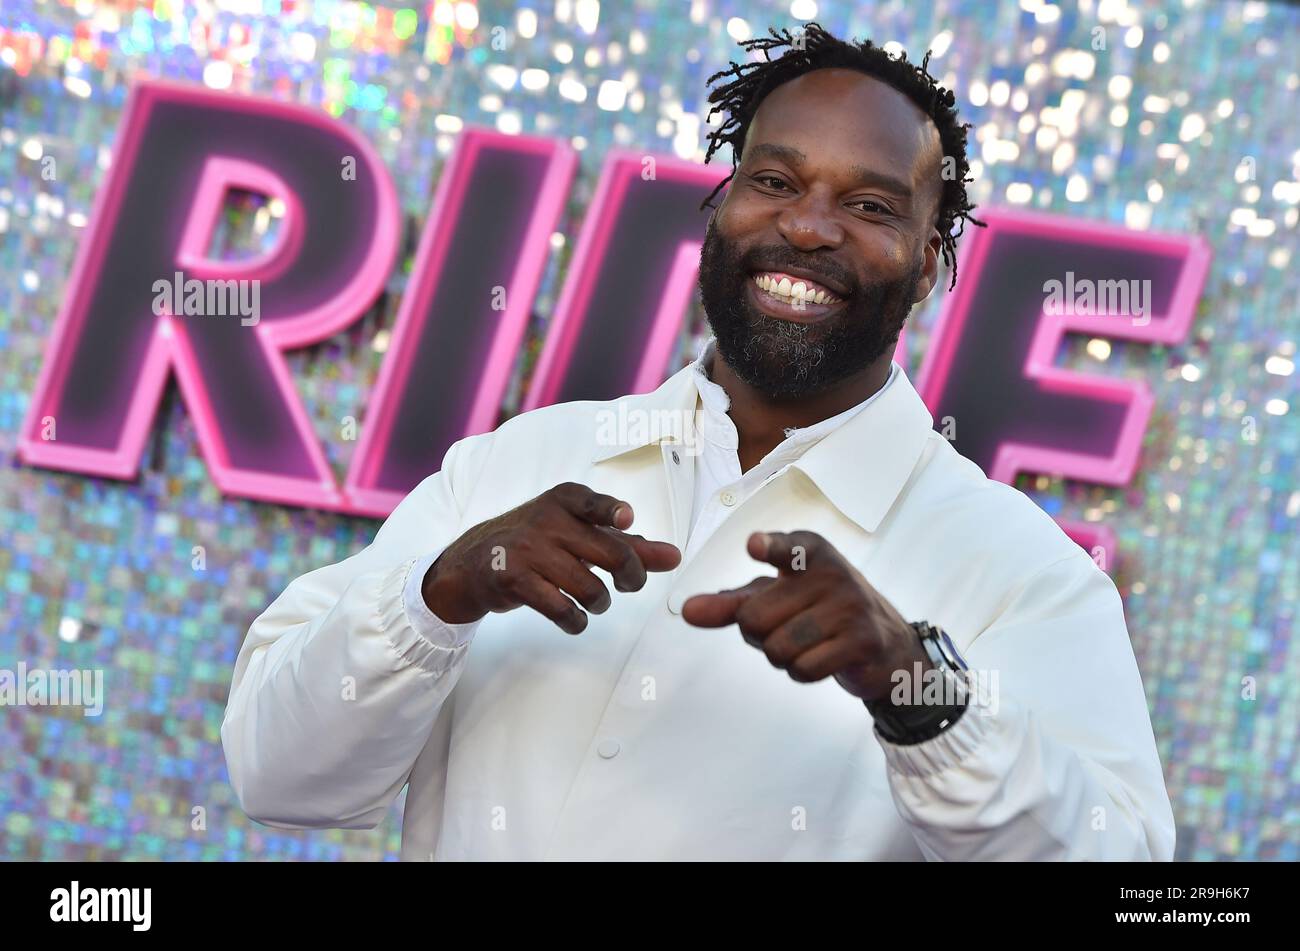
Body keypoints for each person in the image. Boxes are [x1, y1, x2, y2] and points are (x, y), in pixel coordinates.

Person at [222, 23, 1175, 861]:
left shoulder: (1022, 571)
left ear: (928, 263)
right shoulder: (517, 462)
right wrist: (439, 593)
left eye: (871, 205)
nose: (807, 225)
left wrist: (917, 685)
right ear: (722, 204)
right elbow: (277, 775)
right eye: (775, 180)